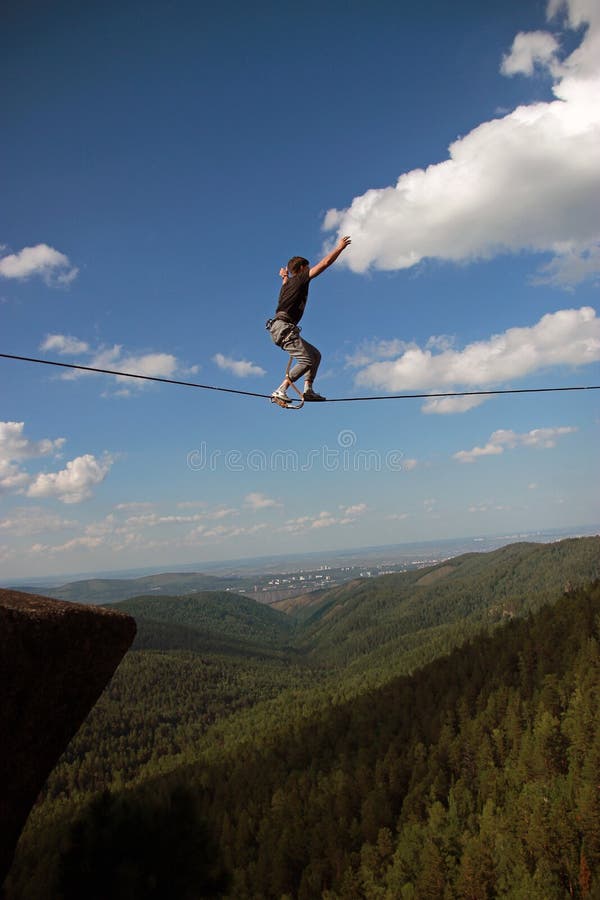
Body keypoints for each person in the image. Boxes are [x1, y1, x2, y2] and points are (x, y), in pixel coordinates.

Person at [267, 235, 351, 404]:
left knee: (315, 355)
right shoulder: (300, 279)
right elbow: (325, 264)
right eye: (308, 267)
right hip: (283, 327)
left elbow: (285, 283)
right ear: (303, 268)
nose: (309, 269)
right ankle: (280, 390)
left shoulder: (288, 284)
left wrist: (284, 276)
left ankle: (308, 391)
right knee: (306, 360)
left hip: (281, 327)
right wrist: (339, 248)